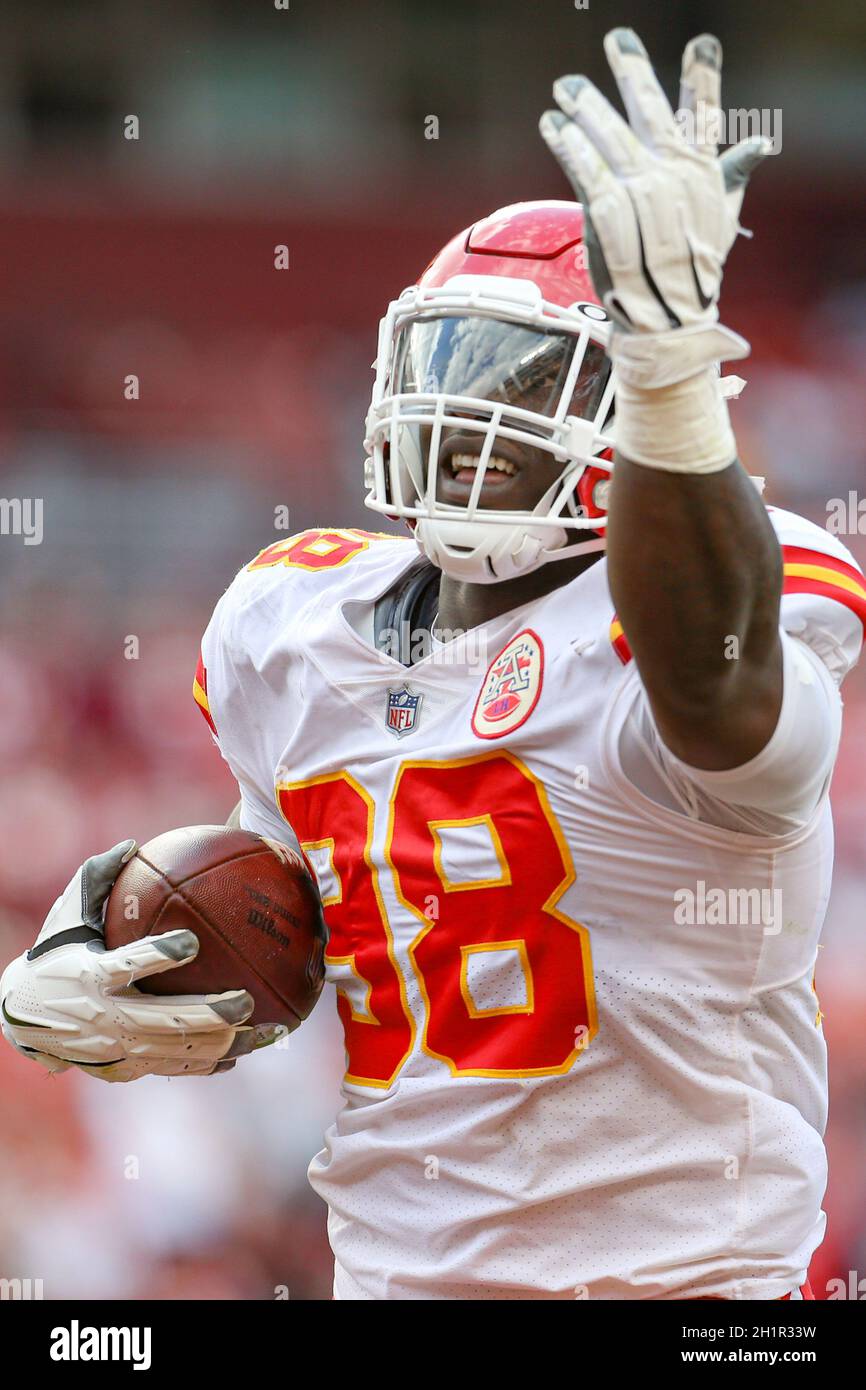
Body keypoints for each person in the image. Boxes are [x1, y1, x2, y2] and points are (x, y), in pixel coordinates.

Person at [3, 29, 863, 1300]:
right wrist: (101, 961)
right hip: (396, 1280)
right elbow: (306, 909)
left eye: (523, 380)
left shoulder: (709, 619)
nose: (465, 415)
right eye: (450, 364)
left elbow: (715, 686)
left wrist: (670, 366)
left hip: (688, 1288)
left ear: (634, 412)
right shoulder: (293, 622)